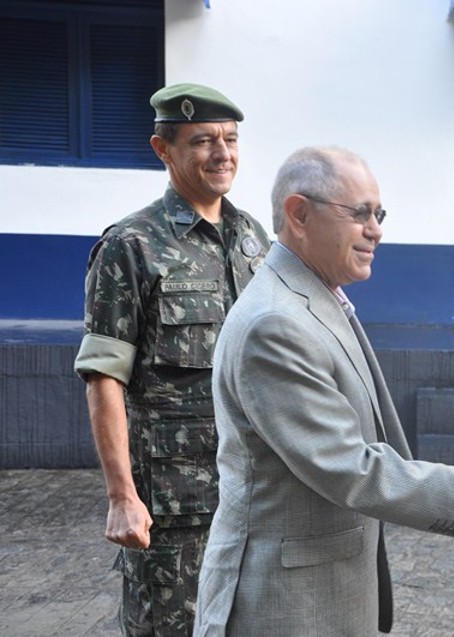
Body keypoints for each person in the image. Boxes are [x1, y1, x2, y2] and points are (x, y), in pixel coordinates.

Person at [193, 146, 454, 636]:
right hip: (283, 604)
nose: (376, 229)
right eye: (359, 214)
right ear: (299, 214)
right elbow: (346, 466)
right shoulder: (275, 323)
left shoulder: (313, 298)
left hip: (318, 591)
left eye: (378, 213)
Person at [74, 83, 270, 636]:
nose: (222, 153)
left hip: (251, 493)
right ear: (164, 150)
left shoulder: (253, 238)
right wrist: (121, 497)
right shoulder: (132, 246)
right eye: (203, 141)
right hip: (176, 508)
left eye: (230, 140)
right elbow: (103, 375)